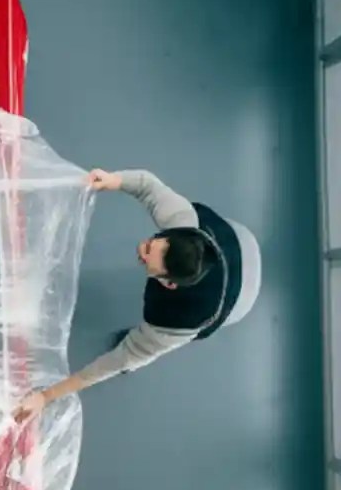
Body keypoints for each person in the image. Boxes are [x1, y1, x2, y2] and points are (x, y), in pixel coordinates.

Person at [13, 168, 262, 422]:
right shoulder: (182, 221)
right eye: (150, 244)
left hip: (236, 301)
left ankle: (140, 349)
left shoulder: (180, 323)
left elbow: (114, 362)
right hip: (237, 239)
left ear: (169, 284)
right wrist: (113, 180)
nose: (140, 250)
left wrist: (46, 396)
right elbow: (147, 184)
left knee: (135, 353)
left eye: (147, 259)